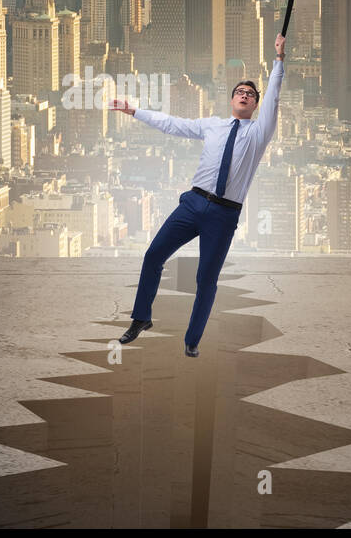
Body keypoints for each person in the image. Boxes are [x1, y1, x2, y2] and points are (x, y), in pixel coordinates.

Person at [109, 34, 286, 357]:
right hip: (192, 203)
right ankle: (140, 319)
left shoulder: (259, 134)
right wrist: (135, 111)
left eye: (250, 94)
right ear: (231, 100)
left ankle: (192, 340)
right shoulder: (213, 126)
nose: (244, 95)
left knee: (206, 280)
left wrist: (278, 61)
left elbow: (273, 98)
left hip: (223, 214)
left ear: (255, 105)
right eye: (239, 92)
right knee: (153, 255)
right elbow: (172, 124)